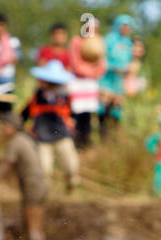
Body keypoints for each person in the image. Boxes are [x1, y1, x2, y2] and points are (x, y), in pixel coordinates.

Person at [0, 111, 47, 240]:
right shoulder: (25, 139)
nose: (2, 131)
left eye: (3, 127)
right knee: (36, 225)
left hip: (32, 186)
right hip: (40, 184)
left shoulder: (15, 142)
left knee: (31, 225)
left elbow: (5, 167)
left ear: (11, 127)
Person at [24, 59, 79, 193]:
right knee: (44, 171)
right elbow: (25, 113)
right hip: (42, 138)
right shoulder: (37, 96)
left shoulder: (66, 97)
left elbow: (75, 116)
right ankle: (45, 198)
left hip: (62, 136)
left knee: (72, 167)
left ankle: (70, 192)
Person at [66, 17, 105, 147]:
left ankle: (85, 142)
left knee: (87, 116)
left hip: (90, 86)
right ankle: (74, 142)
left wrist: (93, 71)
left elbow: (102, 65)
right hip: (77, 84)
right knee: (75, 114)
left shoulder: (98, 42)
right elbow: (75, 65)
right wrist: (91, 70)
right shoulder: (76, 42)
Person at [98, 13, 135, 134]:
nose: (126, 28)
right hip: (106, 81)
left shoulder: (128, 43)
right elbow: (101, 59)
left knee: (117, 112)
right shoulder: (108, 40)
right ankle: (103, 136)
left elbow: (130, 61)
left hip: (119, 84)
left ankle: (113, 138)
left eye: (128, 26)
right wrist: (114, 68)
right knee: (104, 110)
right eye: (124, 25)